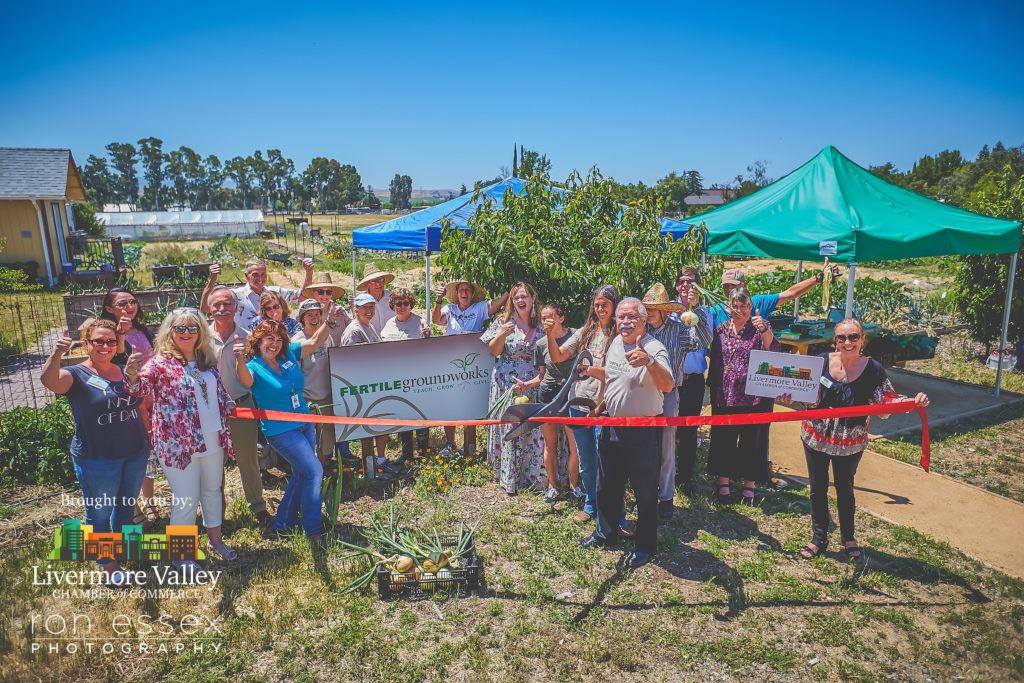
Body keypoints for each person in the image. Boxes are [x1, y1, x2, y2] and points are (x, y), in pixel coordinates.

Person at [779, 318, 929, 560]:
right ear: (835, 341)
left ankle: (848, 537)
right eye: (841, 338)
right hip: (816, 436)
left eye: (853, 337)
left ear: (862, 340)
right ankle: (819, 537)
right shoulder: (820, 361)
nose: (847, 342)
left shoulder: (874, 369)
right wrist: (791, 396)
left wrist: (914, 401)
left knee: (845, 488)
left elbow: (887, 401)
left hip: (850, 443)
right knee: (817, 488)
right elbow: (809, 397)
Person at [123, 309, 238, 568]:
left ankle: (215, 541)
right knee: (186, 498)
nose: (186, 333)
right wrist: (131, 374)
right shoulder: (159, 363)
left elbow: (217, 390)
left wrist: (228, 403)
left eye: (192, 328)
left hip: (213, 439)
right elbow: (139, 389)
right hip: (178, 445)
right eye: (180, 328)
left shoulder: (206, 359)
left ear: (201, 332)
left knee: (211, 492)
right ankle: (180, 554)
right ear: (170, 331)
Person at [40, 319, 148, 587]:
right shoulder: (76, 374)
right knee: (99, 513)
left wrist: (135, 375)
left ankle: (125, 552)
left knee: (126, 507)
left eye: (110, 341)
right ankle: (109, 567)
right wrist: (57, 354)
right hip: (97, 458)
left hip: (134, 452)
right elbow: (50, 382)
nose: (105, 346)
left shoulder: (124, 370)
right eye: (98, 341)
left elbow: (142, 401)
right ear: (86, 343)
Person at [576, 298, 674, 569]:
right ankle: (605, 534)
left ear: (644, 321)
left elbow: (667, 384)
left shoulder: (653, 347)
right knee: (607, 485)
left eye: (632, 317)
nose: (625, 322)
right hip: (612, 424)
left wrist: (649, 361)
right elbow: (614, 377)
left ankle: (644, 546)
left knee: (644, 492)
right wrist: (591, 373)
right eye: (621, 317)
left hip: (643, 431)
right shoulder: (617, 344)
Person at [235, 307, 346, 541]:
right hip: (280, 431)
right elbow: (245, 381)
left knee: (302, 472)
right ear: (258, 341)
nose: (274, 344)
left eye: (278, 339)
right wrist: (238, 359)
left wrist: (331, 322)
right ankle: (313, 529)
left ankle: (284, 522)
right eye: (268, 339)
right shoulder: (253, 366)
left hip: (304, 422)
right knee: (314, 470)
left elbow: (315, 341)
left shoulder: (289, 354)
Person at [545, 285, 627, 531]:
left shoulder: (621, 335)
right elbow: (559, 356)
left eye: (605, 304)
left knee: (608, 463)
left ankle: (617, 512)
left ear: (614, 306)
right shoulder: (585, 332)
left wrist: (599, 408)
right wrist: (550, 335)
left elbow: (617, 374)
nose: (600, 308)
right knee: (587, 462)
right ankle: (591, 504)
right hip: (578, 404)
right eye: (597, 304)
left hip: (605, 407)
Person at [641, 283, 712, 519]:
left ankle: (666, 497)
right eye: (647, 308)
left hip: (669, 394)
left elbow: (703, 339)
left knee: (667, 448)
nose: (649, 312)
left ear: (664, 310)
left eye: (653, 308)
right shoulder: (641, 331)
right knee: (644, 446)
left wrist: (698, 309)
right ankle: (646, 492)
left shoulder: (678, 329)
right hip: (643, 394)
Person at [205, 285, 272, 528]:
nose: (222, 309)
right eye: (217, 305)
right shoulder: (200, 338)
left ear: (236, 308)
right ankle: (216, 514)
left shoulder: (248, 337)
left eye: (227, 304)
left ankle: (257, 505)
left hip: (241, 407)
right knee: (213, 464)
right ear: (210, 309)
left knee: (248, 461)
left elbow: (259, 374)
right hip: (210, 411)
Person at [707, 288, 780, 505]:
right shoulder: (720, 329)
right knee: (724, 438)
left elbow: (774, 350)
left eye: (743, 306)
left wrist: (765, 329)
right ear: (728, 307)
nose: (738, 310)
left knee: (752, 440)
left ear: (751, 307)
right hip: (725, 394)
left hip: (754, 396)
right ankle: (724, 482)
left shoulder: (760, 327)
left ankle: (749, 485)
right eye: (734, 306)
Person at [99, 287, 160, 528]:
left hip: (150, 401)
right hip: (126, 403)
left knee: (147, 455)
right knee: (131, 455)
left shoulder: (144, 330)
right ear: (109, 309)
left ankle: (150, 502)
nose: (129, 307)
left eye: (132, 302)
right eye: (122, 303)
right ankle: (133, 510)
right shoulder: (107, 334)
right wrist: (120, 333)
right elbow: (115, 360)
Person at [480, 282, 547, 495]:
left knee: (531, 431)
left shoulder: (543, 325)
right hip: (506, 386)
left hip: (532, 386)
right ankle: (509, 478)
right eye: (516, 297)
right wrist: (500, 334)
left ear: (532, 298)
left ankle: (532, 478)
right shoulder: (502, 322)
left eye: (524, 296)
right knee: (509, 430)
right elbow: (493, 351)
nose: (520, 300)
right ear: (512, 301)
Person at [432, 279, 509, 457]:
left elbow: (499, 303)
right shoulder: (450, 309)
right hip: (450, 360)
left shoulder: (480, 308)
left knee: (470, 402)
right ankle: (450, 442)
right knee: (449, 401)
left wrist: (510, 289)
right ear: (457, 293)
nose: (464, 292)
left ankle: (469, 444)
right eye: (461, 290)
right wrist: (438, 300)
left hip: (473, 362)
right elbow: (436, 320)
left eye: (467, 289)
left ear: (472, 294)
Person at [520, 302, 580, 505]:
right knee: (550, 444)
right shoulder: (540, 344)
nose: (546, 319)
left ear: (561, 318)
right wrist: (526, 385)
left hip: (570, 394)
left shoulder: (575, 337)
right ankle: (552, 487)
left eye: (551, 316)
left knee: (575, 445)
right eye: (544, 316)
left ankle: (574, 487)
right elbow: (541, 376)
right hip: (548, 395)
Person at [669, 267, 713, 496]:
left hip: (693, 380)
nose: (686, 285)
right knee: (667, 429)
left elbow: (707, 339)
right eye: (683, 281)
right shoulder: (667, 311)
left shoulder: (705, 313)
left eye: (692, 282)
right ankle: (665, 475)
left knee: (688, 431)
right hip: (671, 380)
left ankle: (685, 477)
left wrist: (695, 310)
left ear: (698, 287)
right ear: (677, 285)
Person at [340, 292, 393, 476]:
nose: (369, 311)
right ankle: (371, 467)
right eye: (365, 308)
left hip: (374, 384)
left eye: (371, 307)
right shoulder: (354, 330)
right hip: (363, 388)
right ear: (356, 310)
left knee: (380, 424)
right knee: (368, 429)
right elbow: (350, 360)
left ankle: (380, 460)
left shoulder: (367, 326)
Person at [707, 259, 843, 329]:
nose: (730, 289)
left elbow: (790, 294)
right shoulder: (715, 311)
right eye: (726, 286)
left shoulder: (759, 302)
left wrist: (818, 278)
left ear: (744, 285)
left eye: (734, 285)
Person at [379, 287, 431, 461]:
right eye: (398, 303)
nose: (402, 307)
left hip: (418, 377)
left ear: (411, 304)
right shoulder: (389, 324)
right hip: (397, 378)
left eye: (406, 303)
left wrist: (427, 339)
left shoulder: (420, 322)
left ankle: (424, 451)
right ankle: (407, 453)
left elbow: (429, 348)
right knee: (404, 414)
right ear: (393, 305)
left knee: (421, 414)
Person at [199, 257, 314, 330]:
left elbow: (303, 296)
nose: (260, 278)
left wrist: (309, 272)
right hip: (245, 348)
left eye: (263, 274)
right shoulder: (235, 296)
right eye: (255, 274)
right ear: (246, 276)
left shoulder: (275, 293)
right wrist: (212, 280)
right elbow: (205, 308)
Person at [292, 300, 340, 466]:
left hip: (326, 397)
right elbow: (294, 375)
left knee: (326, 438)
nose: (314, 318)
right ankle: (309, 471)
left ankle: (320, 468)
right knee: (307, 439)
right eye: (309, 315)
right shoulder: (297, 342)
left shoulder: (326, 336)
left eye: (317, 314)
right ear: (302, 318)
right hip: (307, 399)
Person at [301, 273, 352, 342]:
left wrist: (354, 308)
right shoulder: (306, 312)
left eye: (328, 292)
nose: (325, 295)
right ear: (313, 294)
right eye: (321, 292)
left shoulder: (339, 310)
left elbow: (352, 327)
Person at [355, 263, 396, 334]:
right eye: (373, 281)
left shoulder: (394, 298)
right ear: (366, 284)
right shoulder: (360, 302)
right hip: (371, 342)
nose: (378, 284)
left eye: (380, 279)